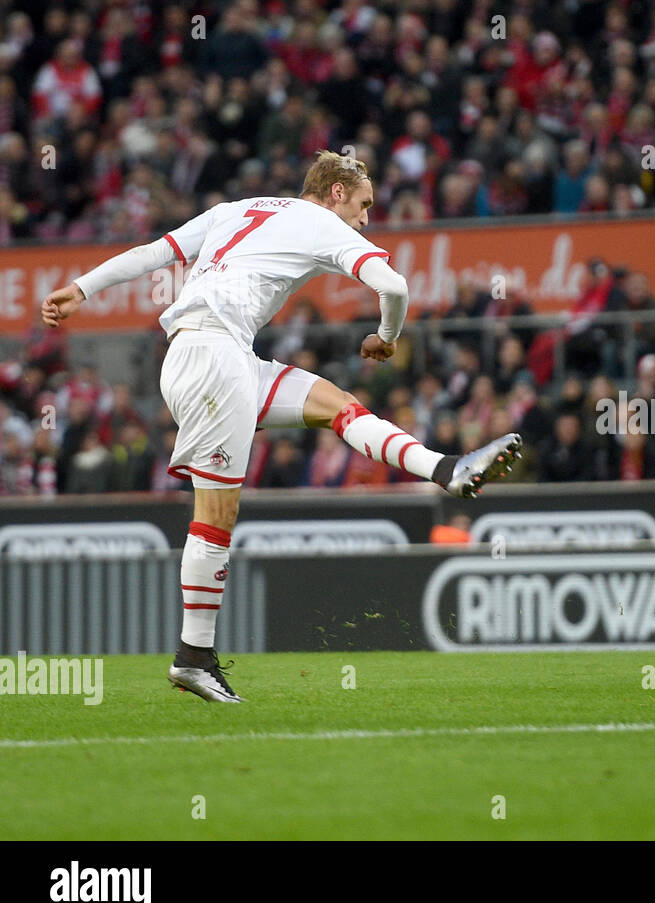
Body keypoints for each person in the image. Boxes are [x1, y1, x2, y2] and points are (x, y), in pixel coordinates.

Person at [39, 150, 522, 704]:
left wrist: (81, 288)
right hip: (214, 361)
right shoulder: (320, 221)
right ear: (337, 191)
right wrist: (387, 337)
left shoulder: (235, 208)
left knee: (337, 405)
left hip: (217, 357)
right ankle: (193, 658)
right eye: (364, 206)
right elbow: (395, 287)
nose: (366, 220)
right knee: (217, 511)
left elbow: (155, 253)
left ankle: (446, 470)